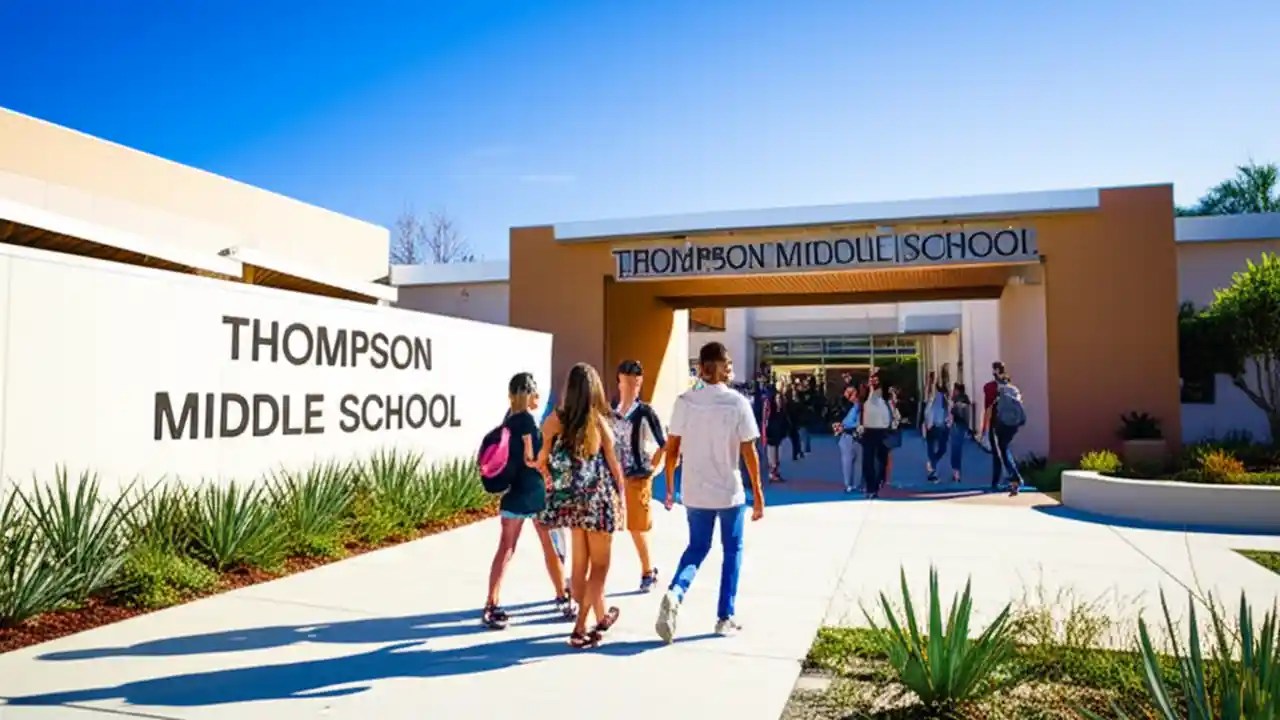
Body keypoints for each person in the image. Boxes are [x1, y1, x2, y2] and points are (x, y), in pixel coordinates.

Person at [656, 341, 764, 643]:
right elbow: (749, 452)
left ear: (701, 368)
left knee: (697, 548)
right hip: (729, 492)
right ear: (722, 367)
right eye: (728, 364)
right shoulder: (737, 403)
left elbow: (672, 448)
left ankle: (675, 592)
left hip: (694, 490)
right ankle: (724, 616)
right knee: (732, 551)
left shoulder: (684, 402)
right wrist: (758, 493)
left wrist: (669, 485)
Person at [536, 363, 627, 649]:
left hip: (571, 503)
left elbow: (541, 459)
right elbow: (614, 465)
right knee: (599, 567)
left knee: (579, 569)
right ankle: (580, 627)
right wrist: (621, 498)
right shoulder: (598, 422)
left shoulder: (555, 420)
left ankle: (601, 617)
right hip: (599, 501)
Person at [482, 372, 553, 630]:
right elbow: (530, 459)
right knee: (550, 546)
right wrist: (546, 470)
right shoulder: (528, 423)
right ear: (528, 394)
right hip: (533, 493)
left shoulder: (508, 421)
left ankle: (491, 603)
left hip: (513, 494)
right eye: (535, 392)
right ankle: (563, 598)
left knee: (506, 547)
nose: (538, 397)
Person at [611, 359, 667, 593]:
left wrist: (652, 470)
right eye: (626, 381)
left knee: (637, 526)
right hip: (614, 475)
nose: (630, 387)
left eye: (634, 382)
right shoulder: (612, 412)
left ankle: (647, 570)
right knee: (607, 525)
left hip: (636, 476)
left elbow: (664, 444)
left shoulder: (645, 412)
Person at [984, 368, 1027, 496]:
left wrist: (985, 427)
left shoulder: (998, 391)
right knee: (1004, 448)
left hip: (1001, 424)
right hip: (1013, 425)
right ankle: (1013, 479)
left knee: (1001, 451)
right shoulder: (1014, 390)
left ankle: (1015, 478)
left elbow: (990, 409)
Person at [857, 371, 899, 498]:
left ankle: (876, 484)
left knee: (881, 461)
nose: (873, 383)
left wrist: (893, 424)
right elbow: (860, 412)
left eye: (876, 381)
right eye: (871, 380)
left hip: (882, 431)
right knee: (868, 461)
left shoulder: (886, 399)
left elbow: (894, 414)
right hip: (869, 431)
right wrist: (860, 426)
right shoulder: (866, 398)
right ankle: (871, 488)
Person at [922, 370, 951, 484]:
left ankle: (932, 464)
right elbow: (928, 409)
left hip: (942, 424)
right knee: (932, 447)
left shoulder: (944, 395)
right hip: (933, 424)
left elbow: (947, 409)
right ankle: (932, 471)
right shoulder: (933, 395)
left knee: (942, 449)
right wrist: (929, 423)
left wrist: (948, 421)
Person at [833, 384, 861, 493]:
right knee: (848, 461)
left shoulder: (860, 405)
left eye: (853, 393)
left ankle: (857, 484)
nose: (850, 395)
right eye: (848, 393)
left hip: (858, 435)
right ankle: (849, 484)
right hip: (847, 435)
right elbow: (836, 418)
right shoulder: (842, 405)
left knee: (858, 461)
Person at [948, 383, 972, 483]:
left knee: (955, 449)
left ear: (957, 390)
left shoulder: (957, 401)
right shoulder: (966, 400)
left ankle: (956, 472)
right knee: (958, 449)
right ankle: (957, 471)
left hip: (956, 425)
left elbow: (952, 414)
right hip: (962, 426)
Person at [763, 389, 788, 482]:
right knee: (772, 453)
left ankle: (775, 472)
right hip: (771, 433)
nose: (779, 401)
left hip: (778, 433)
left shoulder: (781, 410)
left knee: (778, 453)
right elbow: (765, 419)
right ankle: (772, 473)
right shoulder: (769, 406)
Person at [785, 388, 805, 461]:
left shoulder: (790, 403)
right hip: (791, 423)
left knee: (796, 439)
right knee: (795, 439)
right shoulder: (789, 403)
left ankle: (798, 452)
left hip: (793, 423)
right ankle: (796, 453)